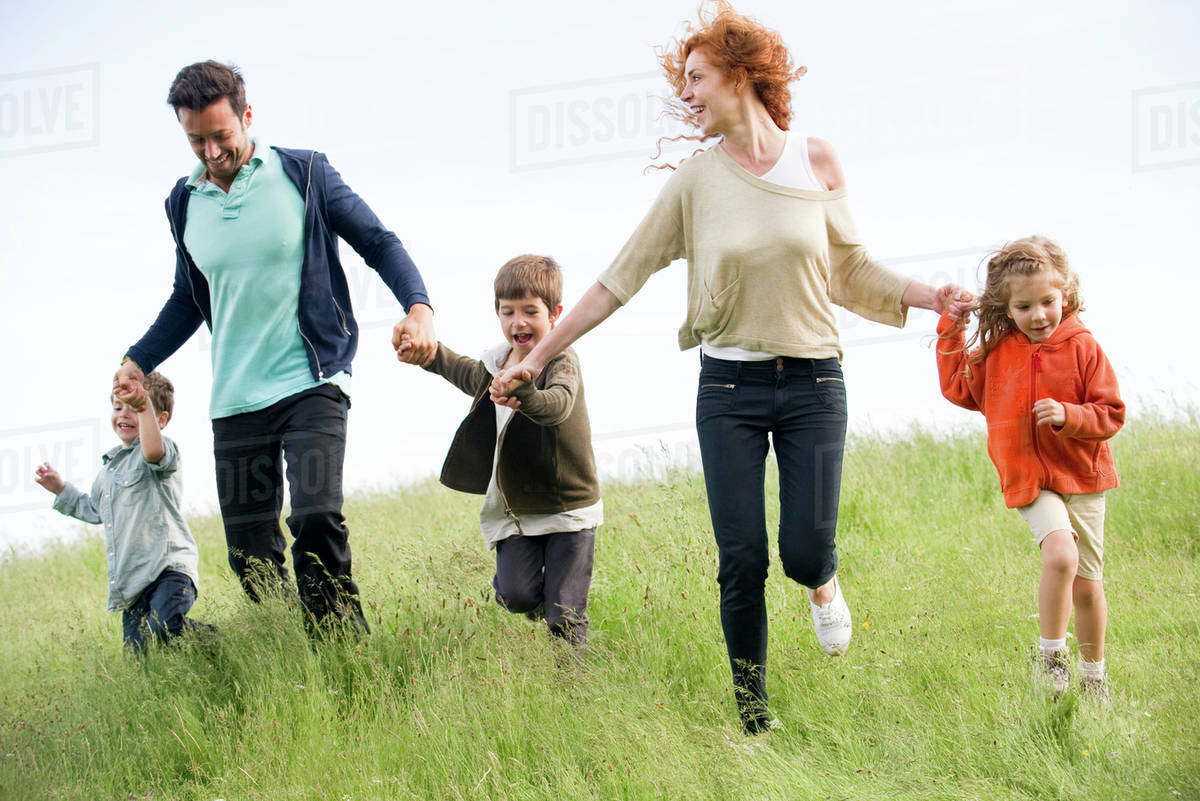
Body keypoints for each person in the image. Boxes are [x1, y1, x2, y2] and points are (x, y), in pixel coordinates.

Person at [491, 1, 968, 733]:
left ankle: (822, 581)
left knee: (804, 551)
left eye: (697, 76)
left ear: (741, 75)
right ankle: (754, 717)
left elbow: (851, 270)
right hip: (729, 390)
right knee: (741, 556)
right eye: (682, 79)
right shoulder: (693, 183)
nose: (685, 93)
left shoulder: (817, 159)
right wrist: (538, 355)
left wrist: (933, 296)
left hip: (813, 383)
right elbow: (616, 280)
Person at [113, 61, 436, 632]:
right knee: (250, 557)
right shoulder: (183, 203)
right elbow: (189, 298)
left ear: (247, 116)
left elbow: (378, 242)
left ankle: (345, 654)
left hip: (312, 379)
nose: (211, 151)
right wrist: (137, 359)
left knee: (314, 518)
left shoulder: (303, 173)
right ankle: (290, 648)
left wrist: (418, 306)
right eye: (196, 140)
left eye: (221, 135)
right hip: (236, 399)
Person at [936, 236, 1123, 700]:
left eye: (1048, 301)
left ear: (1065, 294)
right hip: (1029, 478)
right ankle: (1050, 659)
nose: (1039, 314)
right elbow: (961, 390)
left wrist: (1070, 415)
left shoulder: (1084, 347)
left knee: (1086, 584)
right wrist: (950, 329)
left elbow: (1111, 413)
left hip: (1082, 476)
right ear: (1005, 307)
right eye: (1024, 306)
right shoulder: (1000, 350)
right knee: (1061, 554)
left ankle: (1094, 679)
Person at [412, 255, 602, 647]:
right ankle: (541, 604)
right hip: (517, 508)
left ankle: (573, 690)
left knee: (565, 613)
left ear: (555, 314)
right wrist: (429, 355)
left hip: (568, 506)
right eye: (508, 311)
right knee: (516, 595)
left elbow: (557, 405)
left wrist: (526, 393)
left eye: (530, 311)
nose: (519, 322)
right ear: (497, 314)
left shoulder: (561, 359)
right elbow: (466, 373)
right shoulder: (496, 362)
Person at [35, 373, 210, 653]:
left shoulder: (159, 451)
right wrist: (61, 489)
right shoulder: (108, 471)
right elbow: (95, 510)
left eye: (137, 407)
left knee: (164, 627)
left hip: (167, 570)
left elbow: (154, 452)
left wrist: (145, 409)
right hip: (131, 583)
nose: (124, 414)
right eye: (118, 407)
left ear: (160, 420)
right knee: (141, 658)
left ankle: (220, 641)